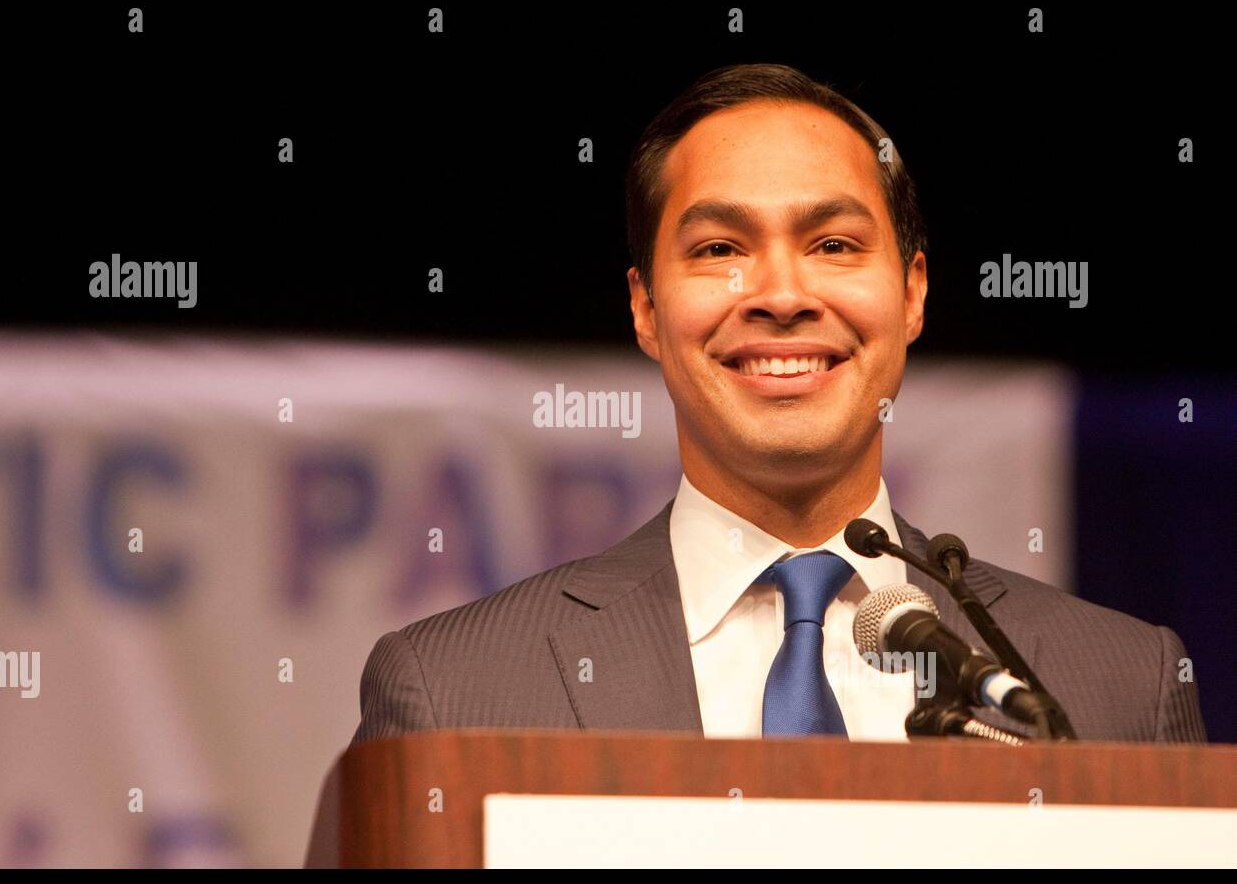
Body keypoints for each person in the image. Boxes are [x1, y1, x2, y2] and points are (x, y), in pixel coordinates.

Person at [352, 63, 1205, 745]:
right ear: (646, 308)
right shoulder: (452, 690)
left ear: (913, 293)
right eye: (720, 248)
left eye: (833, 244)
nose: (783, 295)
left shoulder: (1120, 685)